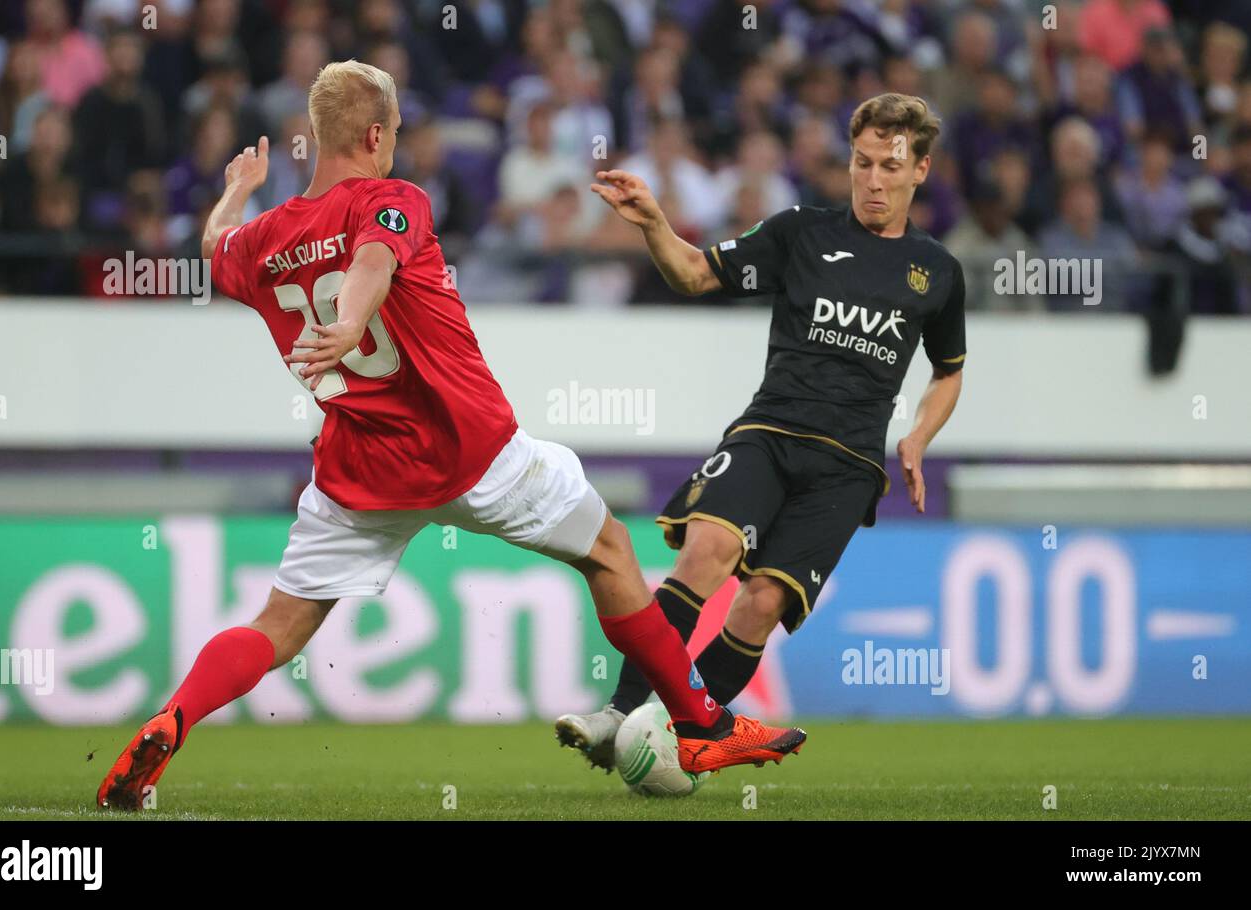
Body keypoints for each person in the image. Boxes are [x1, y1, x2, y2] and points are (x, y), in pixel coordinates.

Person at [97, 61, 805, 811]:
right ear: (375, 135)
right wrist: (351, 319)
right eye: (394, 132)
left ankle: (172, 717)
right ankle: (699, 725)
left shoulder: (261, 241)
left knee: (276, 628)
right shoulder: (394, 198)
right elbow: (373, 257)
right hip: (470, 453)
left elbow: (214, 247)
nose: (395, 145)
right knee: (608, 551)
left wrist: (239, 189)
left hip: (359, 474)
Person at [556, 93, 965, 771]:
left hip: (848, 467)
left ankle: (686, 737)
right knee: (706, 551)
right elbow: (694, 273)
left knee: (762, 602)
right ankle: (620, 713)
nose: (872, 179)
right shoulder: (801, 232)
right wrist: (654, 222)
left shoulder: (938, 273)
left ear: (920, 169)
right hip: (770, 432)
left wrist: (917, 436)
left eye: (890, 166)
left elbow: (948, 372)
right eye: (862, 162)